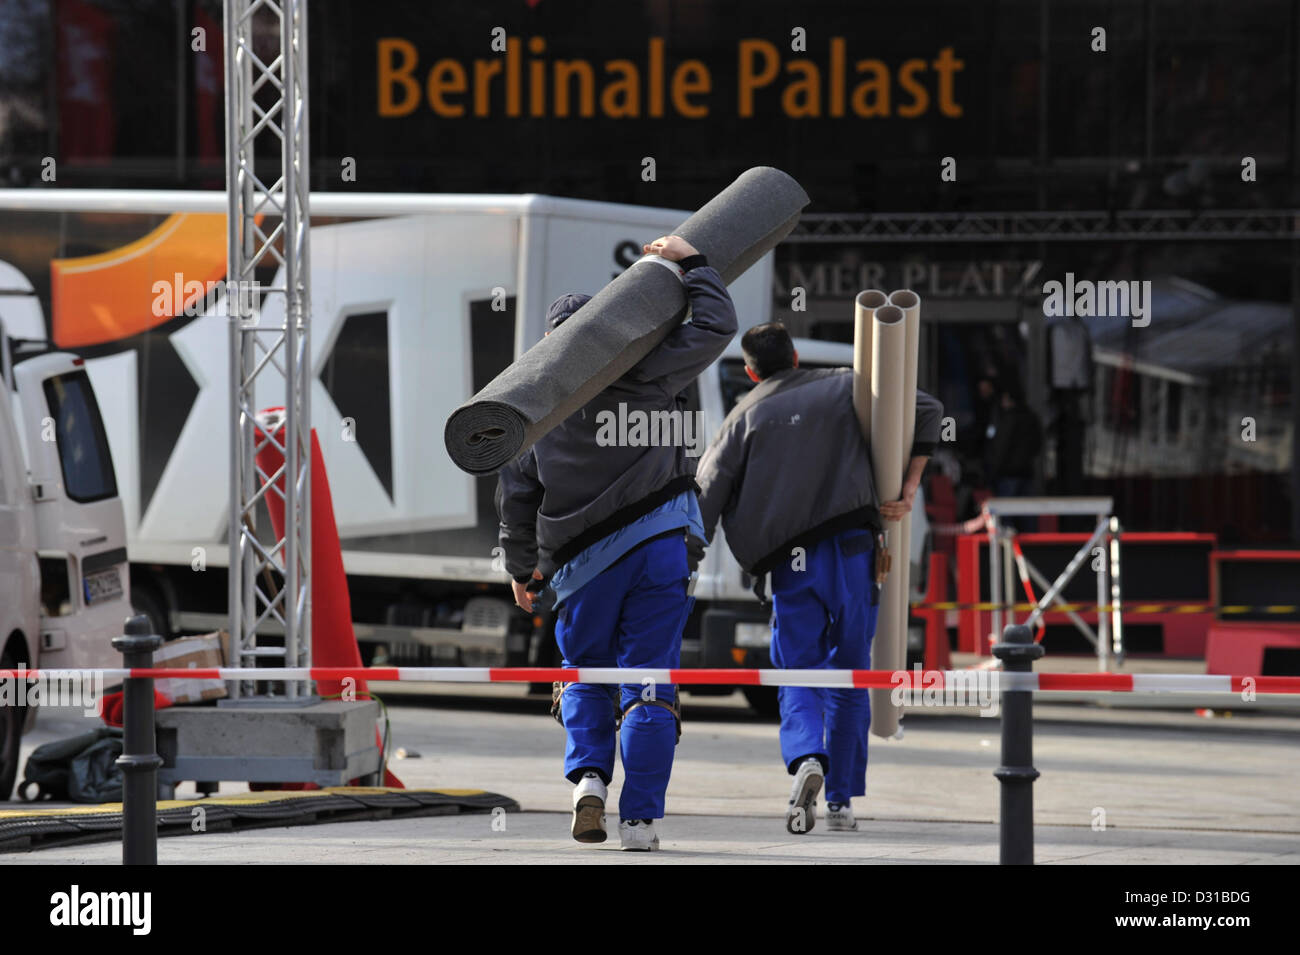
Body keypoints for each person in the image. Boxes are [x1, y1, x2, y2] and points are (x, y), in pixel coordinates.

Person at [495, 234, 737, 851]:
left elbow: (517, 496)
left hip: (578, 567)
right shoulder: (647, 376)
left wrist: (522, 569)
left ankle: (588, 787)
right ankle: (640, 822)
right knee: (649, 680)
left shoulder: (534, 405)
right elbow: (715, 324)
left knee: (583, 677)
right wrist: (691, 264)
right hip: (659, 548)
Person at [695, 322, 942, 834]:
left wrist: (685, 564)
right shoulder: (846, 385)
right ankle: (842, 801)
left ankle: (807, 755)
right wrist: (910, 485)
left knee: (798, 670)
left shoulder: (742, 418)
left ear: (749, 371)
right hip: (855, 552)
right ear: (796, 355)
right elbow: (928, 409)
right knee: (851, 676)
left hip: (792, 563)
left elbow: (706, 498)